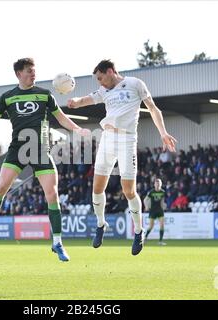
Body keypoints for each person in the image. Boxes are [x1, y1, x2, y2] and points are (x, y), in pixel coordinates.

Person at [0, 58, 89, 262]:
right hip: (18, 149)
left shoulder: (45, 94)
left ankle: (57, 243)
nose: (33, 74)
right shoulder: (7, 97)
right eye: (29, 71)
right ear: (18, 74)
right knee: (2, 186)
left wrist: (77, 129)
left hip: (40, 149)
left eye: (34, 71)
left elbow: (61, 117)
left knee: (52, 194)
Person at [68, 59, 177, 255]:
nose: (99, 83)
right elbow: (86, 99)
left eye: (101, 78)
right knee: (97, 188)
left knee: (128, 191)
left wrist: (163, 132)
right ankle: (101, 225)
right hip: (108, 138)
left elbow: (153, 108)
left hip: (127, 140)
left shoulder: (135, 84)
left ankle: (138, 231)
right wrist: (75, 102)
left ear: (110, 72)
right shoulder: (104, 91)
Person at [144, 179, 167, 246]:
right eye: (156, 184)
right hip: (153, 211)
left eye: (159, 184)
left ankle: (160, 241)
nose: (157, 185)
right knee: (151, 226)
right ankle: (145, 237)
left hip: (160, 210)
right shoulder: (151, 192)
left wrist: (164, 206)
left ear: (161, 184)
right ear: (154, 184)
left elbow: (162, 201)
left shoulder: (163, 192)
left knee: (162, 225)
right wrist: (146, 206)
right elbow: (145, 199)